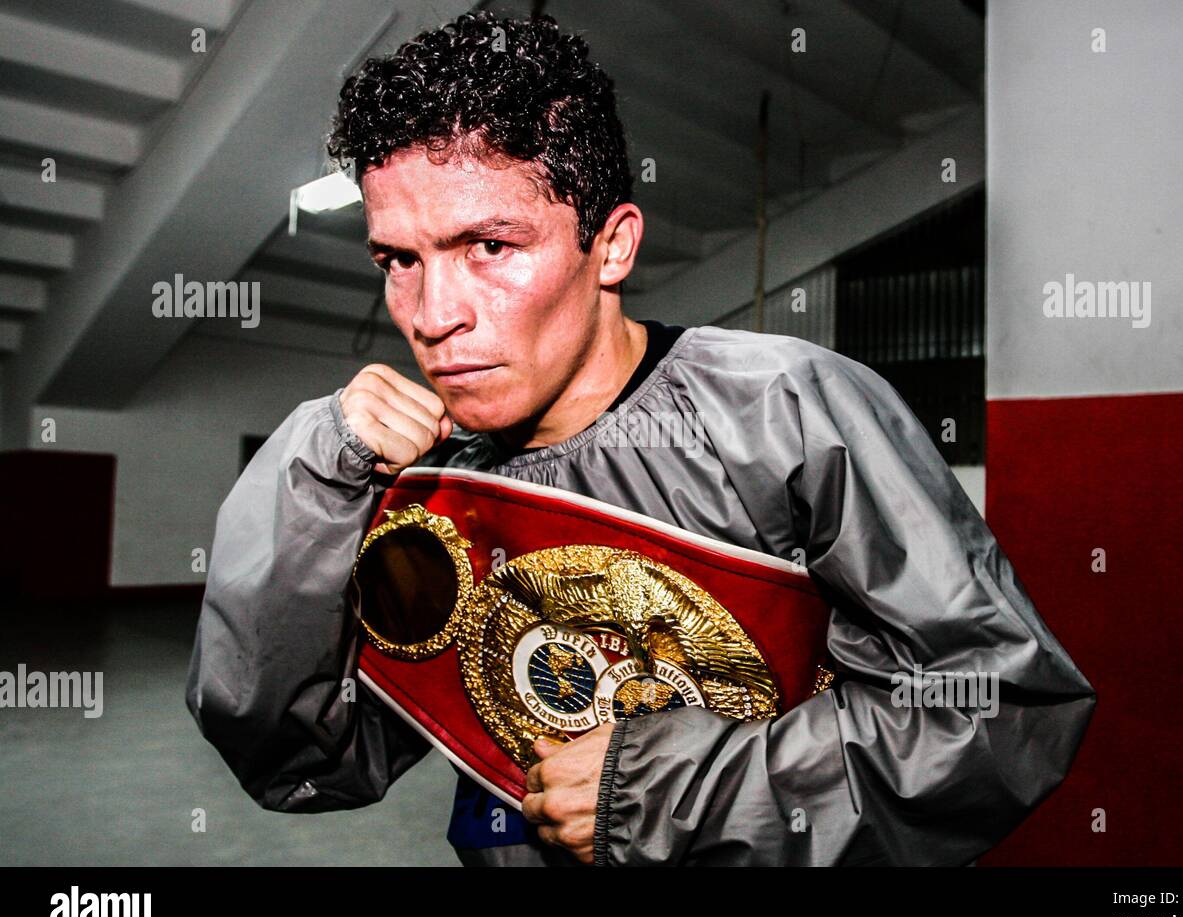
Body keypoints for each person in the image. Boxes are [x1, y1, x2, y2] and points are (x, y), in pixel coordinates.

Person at [185, 10, 1096, 867]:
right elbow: (305, 762)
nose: (434, 315)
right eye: (399, 260)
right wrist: (309, 487)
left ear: (611, 246)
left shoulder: (786, 411)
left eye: (490, 247)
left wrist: (673, 791)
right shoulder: (426, 484)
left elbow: (1006, 708)